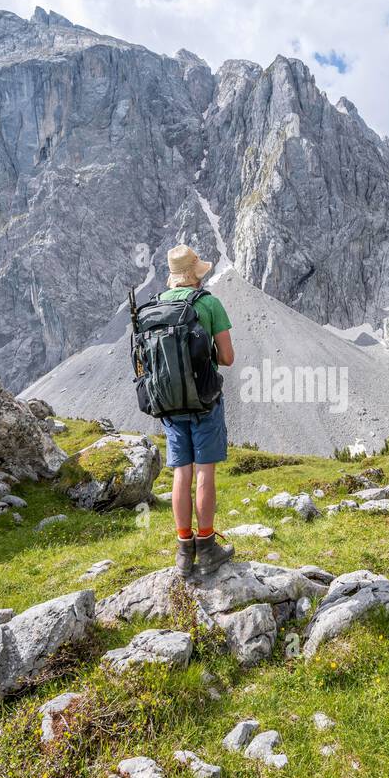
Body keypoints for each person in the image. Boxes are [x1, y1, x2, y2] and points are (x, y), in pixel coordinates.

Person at [160, 244, 236, 577]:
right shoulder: (209, 304)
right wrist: (204, 357)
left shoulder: (155, 306)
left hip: (171, 402)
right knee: (204, 470)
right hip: (204, 400)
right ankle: (206, 547)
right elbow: (228, 357)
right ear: (196, 274)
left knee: (182, 472)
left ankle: (182, 550)